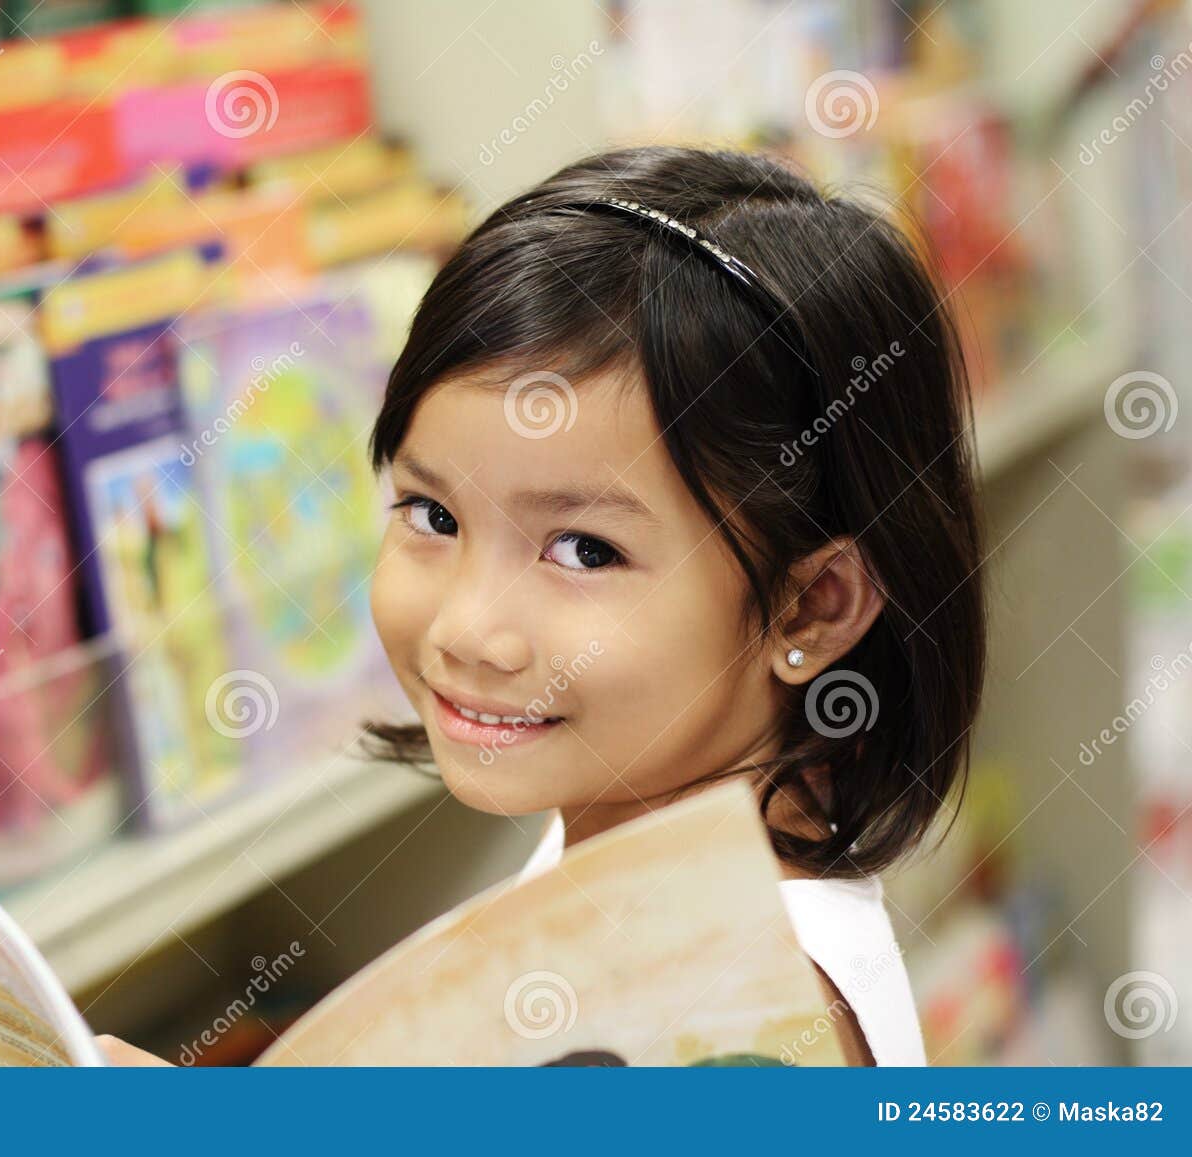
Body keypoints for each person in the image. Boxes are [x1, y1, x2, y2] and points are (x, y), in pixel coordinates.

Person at [100, 145, 986, 1067]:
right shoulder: (628, 885)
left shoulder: (742, 1013)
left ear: (812, 608)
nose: (466, 628)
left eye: (584, 550)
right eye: (432, 514)